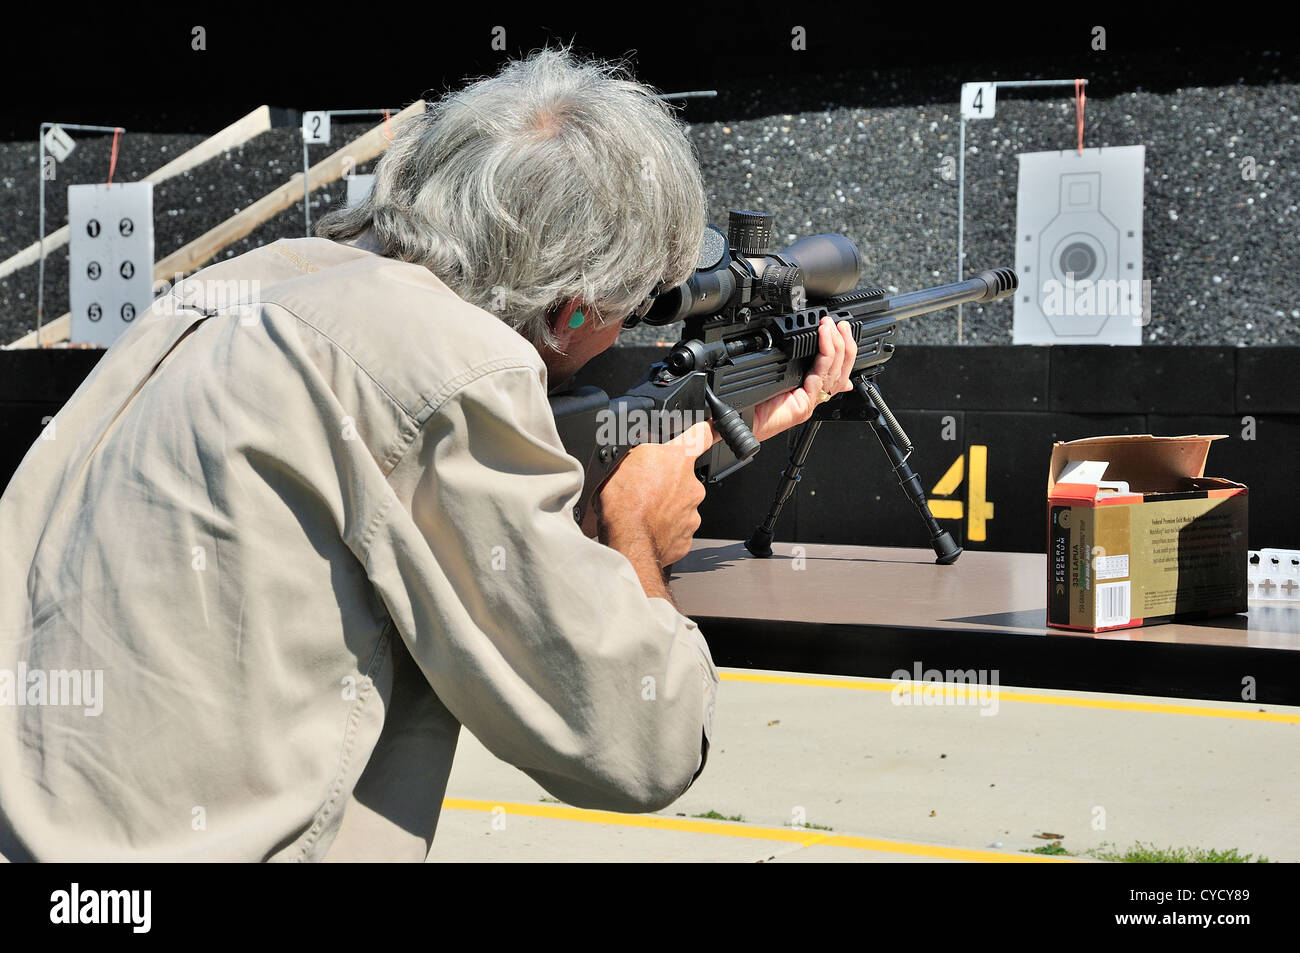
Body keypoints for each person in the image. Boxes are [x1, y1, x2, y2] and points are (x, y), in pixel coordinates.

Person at [0, 48, 857, 861]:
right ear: (566, 313)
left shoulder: (245, 286)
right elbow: (643, 743)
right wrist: (633, 528)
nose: (633, 326)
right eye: (631, 310)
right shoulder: (447, 368)